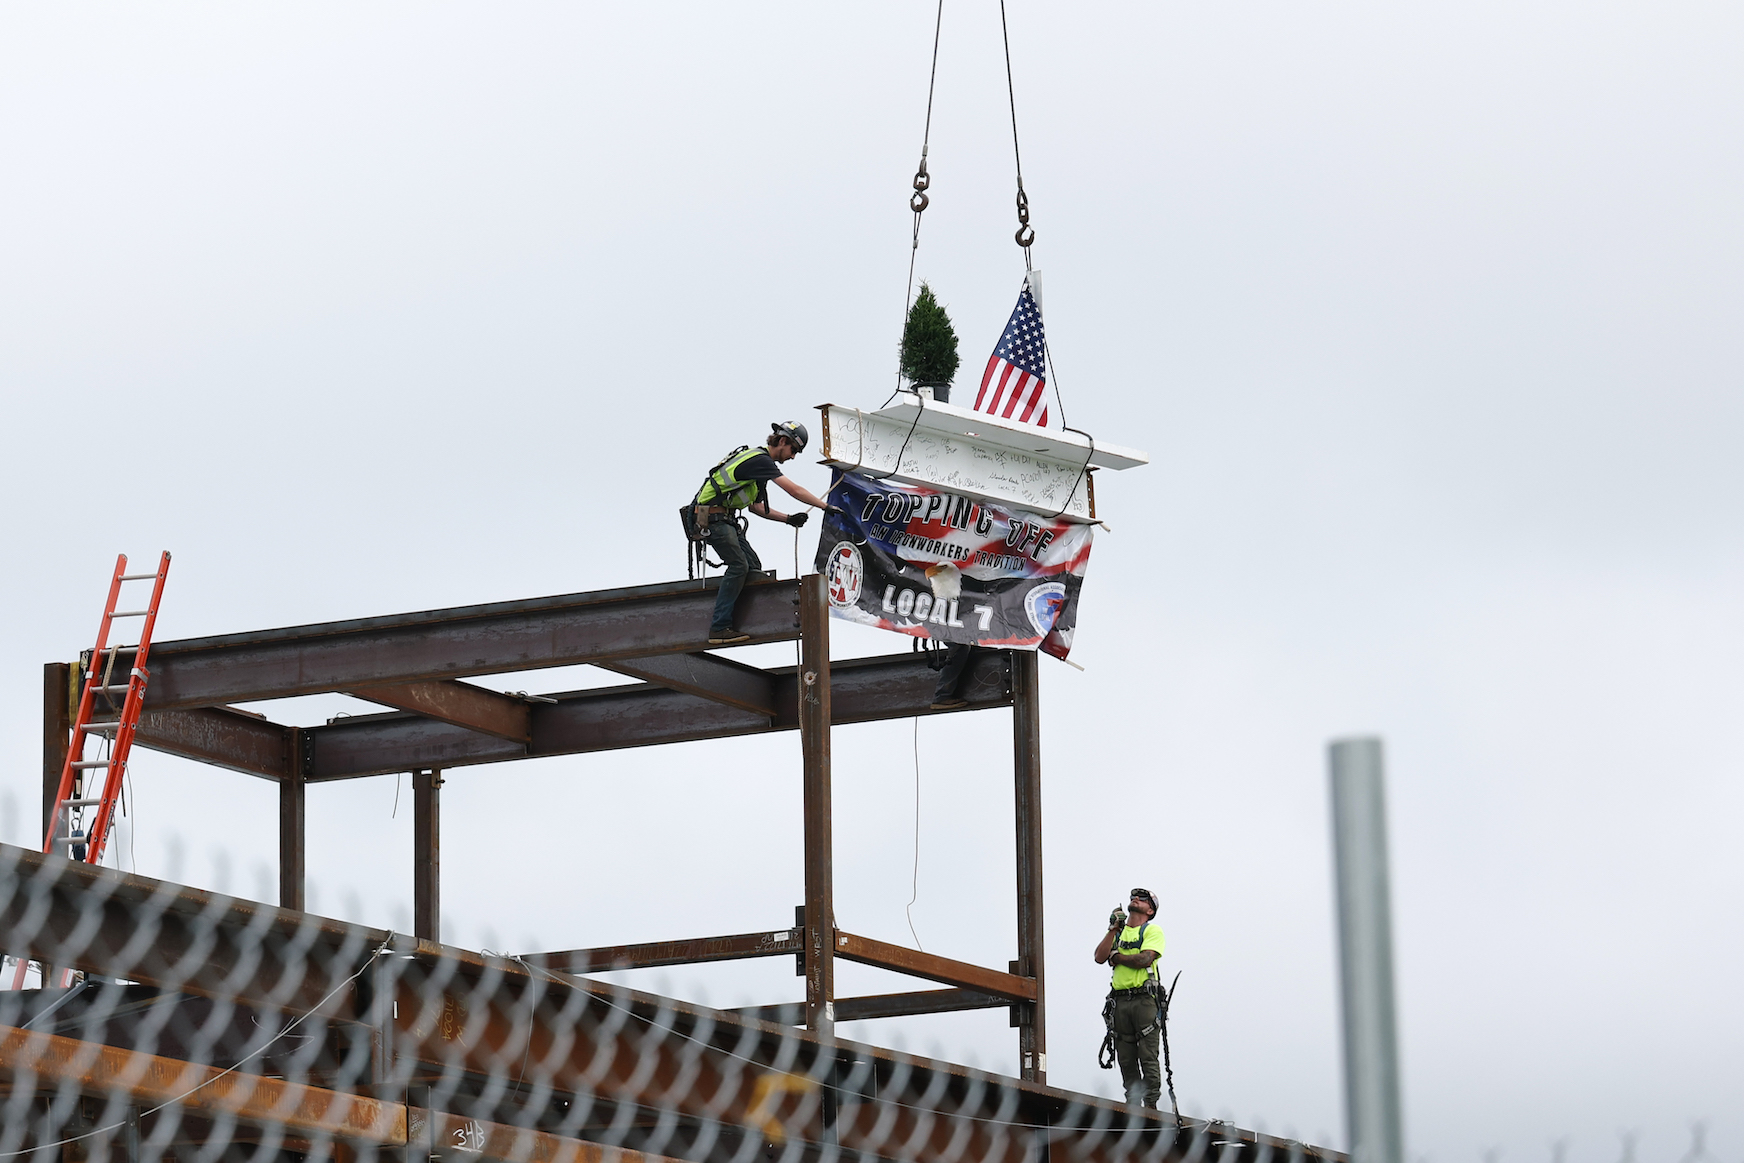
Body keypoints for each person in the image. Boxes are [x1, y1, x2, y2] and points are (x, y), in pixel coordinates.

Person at [691, 421, 835, 645]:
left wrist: (789, 519)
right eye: (794, 450)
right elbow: (794, 490)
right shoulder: (760, 461)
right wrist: (824, 506)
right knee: (739, 566)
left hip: (724, 520)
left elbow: (757, 508)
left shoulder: (759, 468)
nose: (793, 457)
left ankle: (741, 616)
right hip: (711, 518)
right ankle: (719, 627)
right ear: (783, 441)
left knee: (753, 566)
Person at [1094, 887, 1166, 1109]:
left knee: (1147, 1055)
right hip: (1120, 1001)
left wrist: (1117, 957)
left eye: (1143, 898)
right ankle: (1133, 1105)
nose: (1136, 899)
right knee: (1125, 1057)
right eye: (1134, 897)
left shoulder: (1152, 931)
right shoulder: (1119, 934)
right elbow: (1099, 957)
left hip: (1144, 1000)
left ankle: (1151, 1106)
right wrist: (1113, 929)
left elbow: (1144, 959)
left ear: (1150, 910)